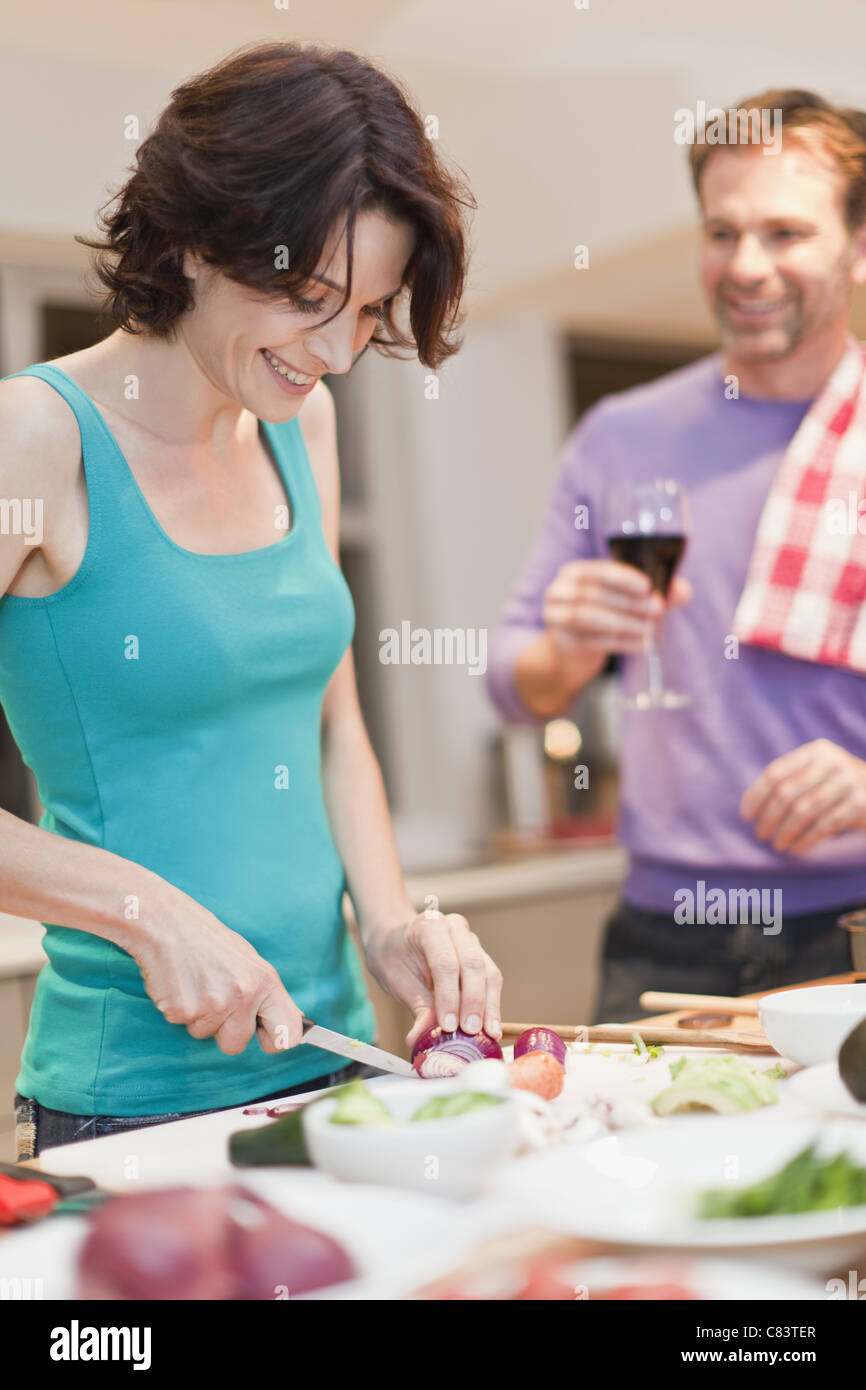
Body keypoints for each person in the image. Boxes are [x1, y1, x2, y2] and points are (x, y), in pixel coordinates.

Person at [0, 42, 502, 1158]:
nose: (332, 351)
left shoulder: (297, 426)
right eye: (304, 297)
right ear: (191, 239)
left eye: (367, 311)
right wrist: (149, 911)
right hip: (126, 1101)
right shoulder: (34, 439)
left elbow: (333, 728)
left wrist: (387, 923)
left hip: (335, 1063)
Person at [487, 89, 866, 1022]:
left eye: (785, 232)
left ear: (858, 247)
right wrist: (568, 650)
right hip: (665, 933)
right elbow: (513, 683)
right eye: (721, 231)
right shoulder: (622, 435)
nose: (746, 266)